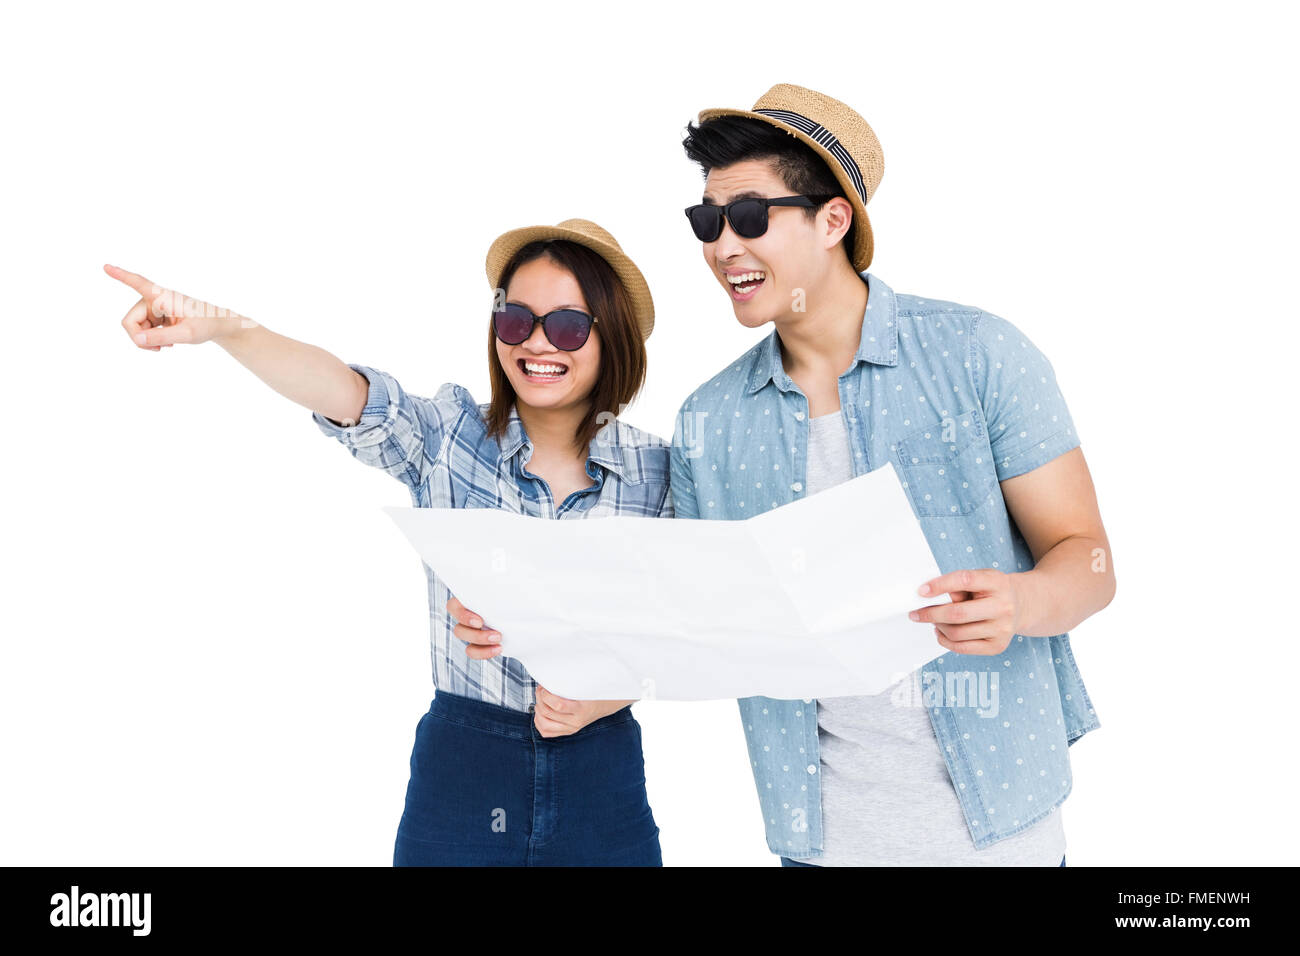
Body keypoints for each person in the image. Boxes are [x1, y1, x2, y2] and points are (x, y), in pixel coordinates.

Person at [104, 217, 670, 866]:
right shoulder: (449, 437)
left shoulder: (659, 474)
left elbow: (698, 632)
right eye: (516, 320)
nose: (538, 343)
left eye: (568, 324)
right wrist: (226, 328)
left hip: (604, 782)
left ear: (612, 336)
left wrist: (609, 693)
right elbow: (347, 395)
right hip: (462, 773)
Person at [669, 84, 1116, 866]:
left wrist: (1022, 600)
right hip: (819, 845)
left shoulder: (977, 353)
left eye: (749, 217)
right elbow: (700, 614)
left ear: (833, 218)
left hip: (1002, 836)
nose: (723, 246)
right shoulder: (712, 419)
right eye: (709, 221)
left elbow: (1089, 559)